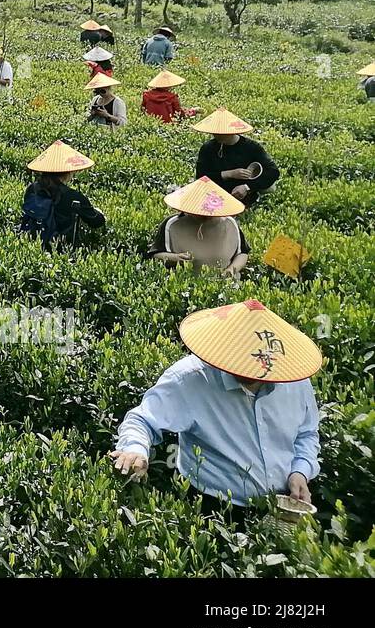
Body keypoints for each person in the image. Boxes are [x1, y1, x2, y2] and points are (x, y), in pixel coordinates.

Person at [109, 299, 321, 514]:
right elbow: (143, 419)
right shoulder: (191, 379)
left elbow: (307, 433)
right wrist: (135, 449)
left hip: (281, 506)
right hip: (213, 508)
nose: (248, 371)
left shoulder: (295, 381)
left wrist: (300, 471)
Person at [146, 176, 249, 278]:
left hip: (225, 287)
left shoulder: (229, 223)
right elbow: (155, 255)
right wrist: (175, 258)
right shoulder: (172, 224)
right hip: (184, 286)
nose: (204, 216)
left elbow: (242, 253)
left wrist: (231, 270)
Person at [19, 140, 106, 250]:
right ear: (68, 172)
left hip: (32, 244)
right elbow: (96, 222)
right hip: (62, 249)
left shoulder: (32, 189)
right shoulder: (74, 197)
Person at [192, 108, 279, 205]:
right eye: (215, 132)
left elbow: (273, 171)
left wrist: (247, 187)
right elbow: (200, 177)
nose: (216, 135)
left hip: (243, 191)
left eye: (221, 133)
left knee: (270, 186)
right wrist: (229, 174)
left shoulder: (251, 147)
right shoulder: (208, 148)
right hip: (216, 191)